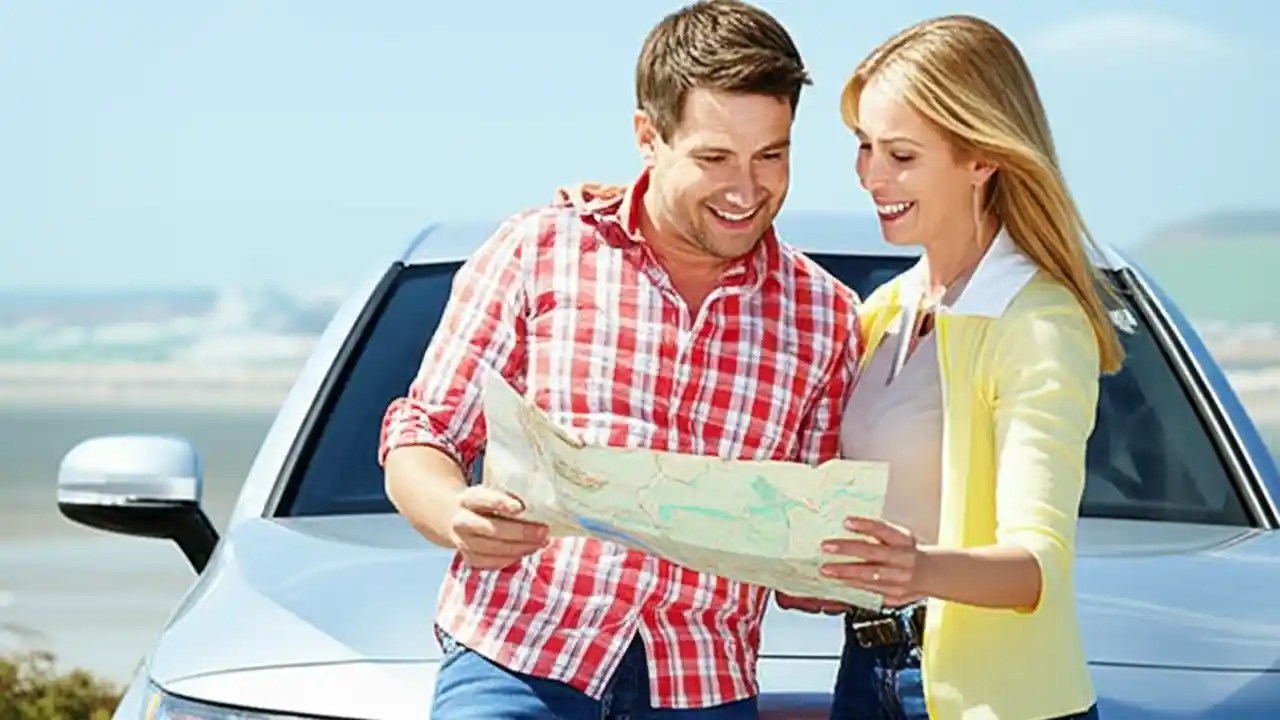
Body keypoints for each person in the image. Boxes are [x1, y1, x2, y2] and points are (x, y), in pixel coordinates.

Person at [378, 1, 860, 718]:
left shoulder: (827, 318)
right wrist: (455, 514)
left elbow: (806, 562)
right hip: (520, 659)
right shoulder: (537, 252)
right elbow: (423, 431)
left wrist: (834, 570)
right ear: (648, 136)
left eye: (772, 156)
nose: (746, 189)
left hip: (703, 685)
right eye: (714, 158)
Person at [783, 14, 1123, 720]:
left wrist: (917, 568)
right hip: (865, 673)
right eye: (864, 146)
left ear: (982, 157)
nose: (871, 176)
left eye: (901, 155)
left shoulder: (1040, 324)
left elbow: (1038, 568)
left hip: (997, 702)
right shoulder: (883, 310)